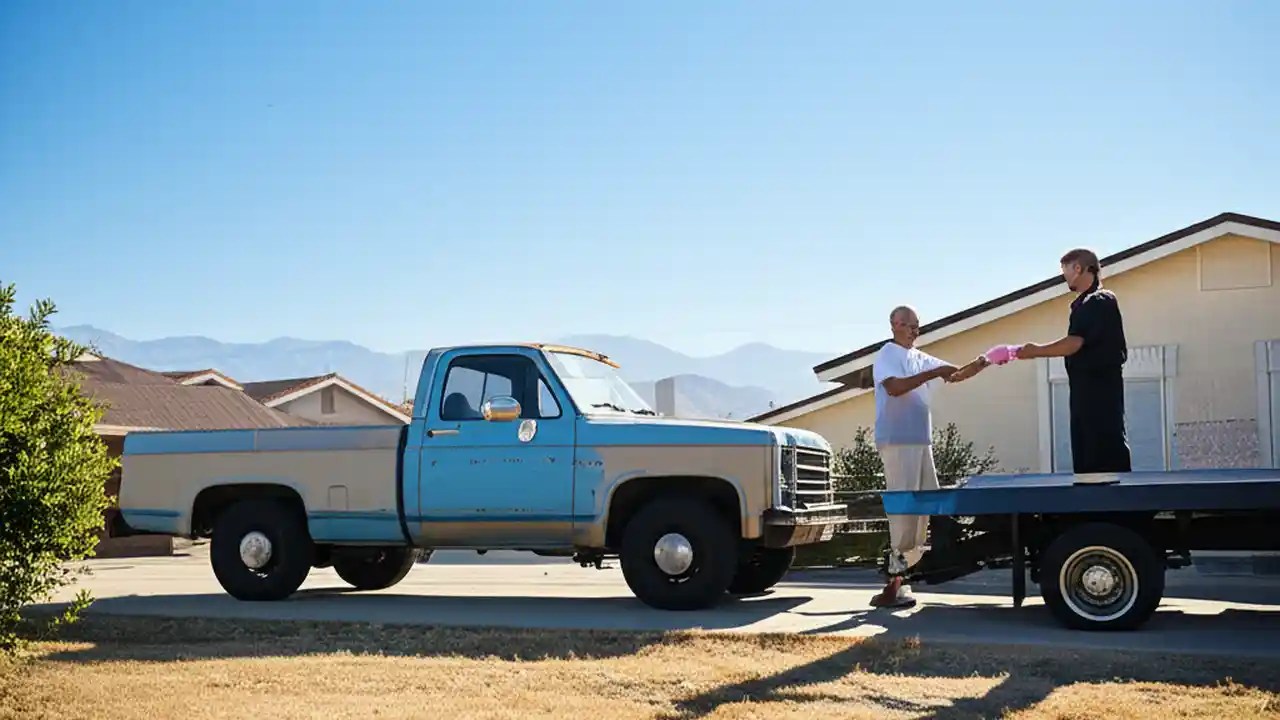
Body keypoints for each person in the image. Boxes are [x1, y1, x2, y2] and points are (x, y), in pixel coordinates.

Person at [869, 305, 990, 609]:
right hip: (897, 442)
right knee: (904, 510)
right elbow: (895, 387)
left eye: (918, 327)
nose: (915, 331)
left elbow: (954, 373)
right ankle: (893, 582)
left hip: (921, 442)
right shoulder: (887, 354)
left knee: (924, 509)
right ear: (895, 324)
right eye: (911, 326)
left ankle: (902, 577)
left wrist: (983, 362)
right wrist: (933, 373)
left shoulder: (921, 358)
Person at [1017, 248, 1131, 474]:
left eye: (1066, 270)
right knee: (1086, 446)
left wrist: (1036, 350)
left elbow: (1074, 343)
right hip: (1085, 390)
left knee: (1102, 447)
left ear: (1078, 268)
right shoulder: (1083, 304)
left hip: (1099, 391)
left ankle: (1115, 503)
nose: (1064, 276)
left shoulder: (1098, 300)